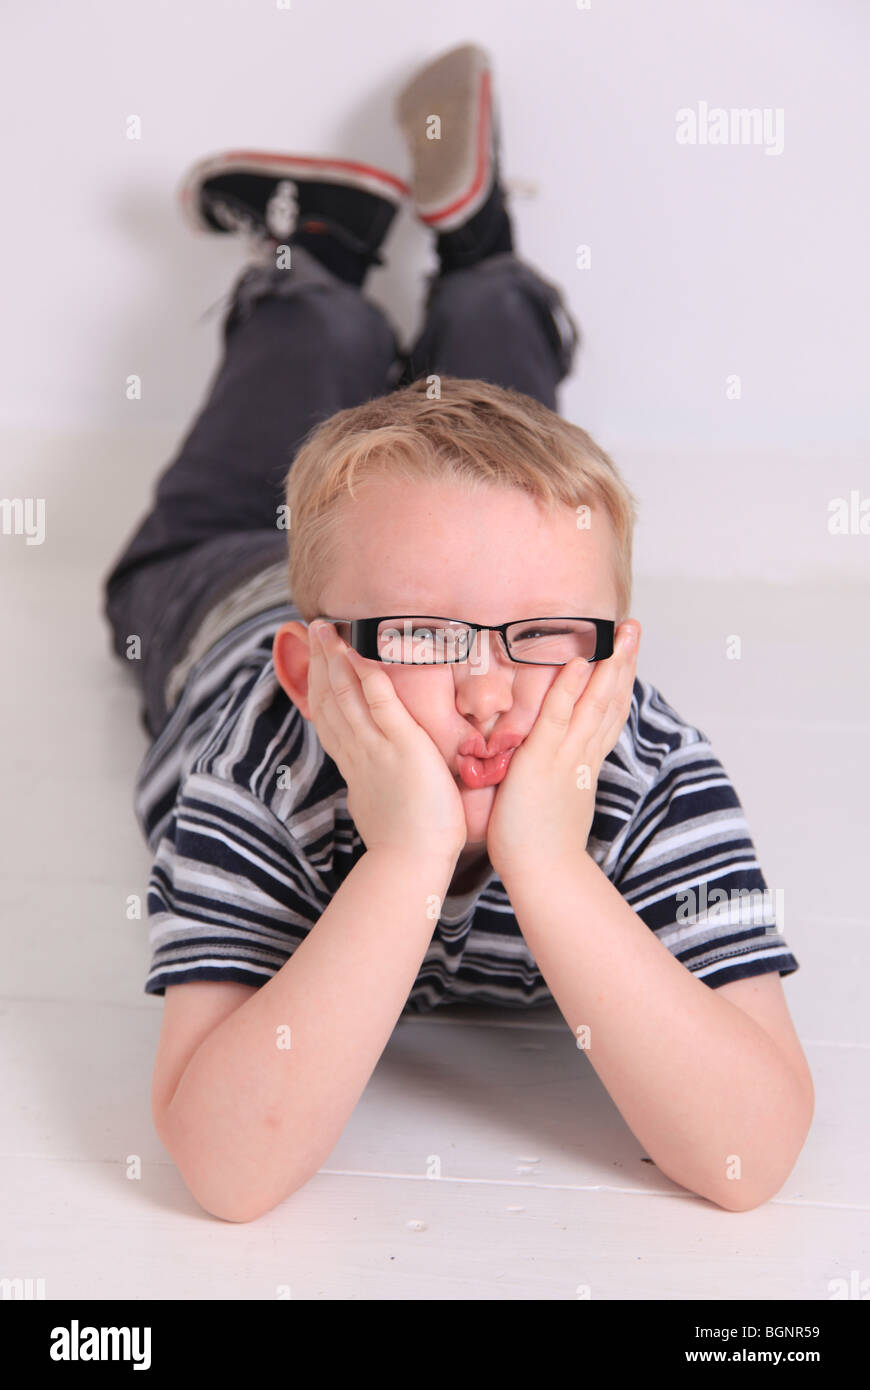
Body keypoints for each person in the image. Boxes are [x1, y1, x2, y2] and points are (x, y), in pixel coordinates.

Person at [101, 43, 812, 1224]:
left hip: (370, 573)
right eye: (425, 637)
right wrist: (406, 856)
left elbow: (751, 1158)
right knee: (201, 533)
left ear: (616, 660)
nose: (488, 689)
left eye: (542, 635)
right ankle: (330, 272)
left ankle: (398, 265)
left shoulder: (649, 773)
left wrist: (550, 860)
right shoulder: (262, 774)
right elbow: (227, 1171)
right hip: (233, 590)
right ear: (316, 665)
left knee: (493, 479)